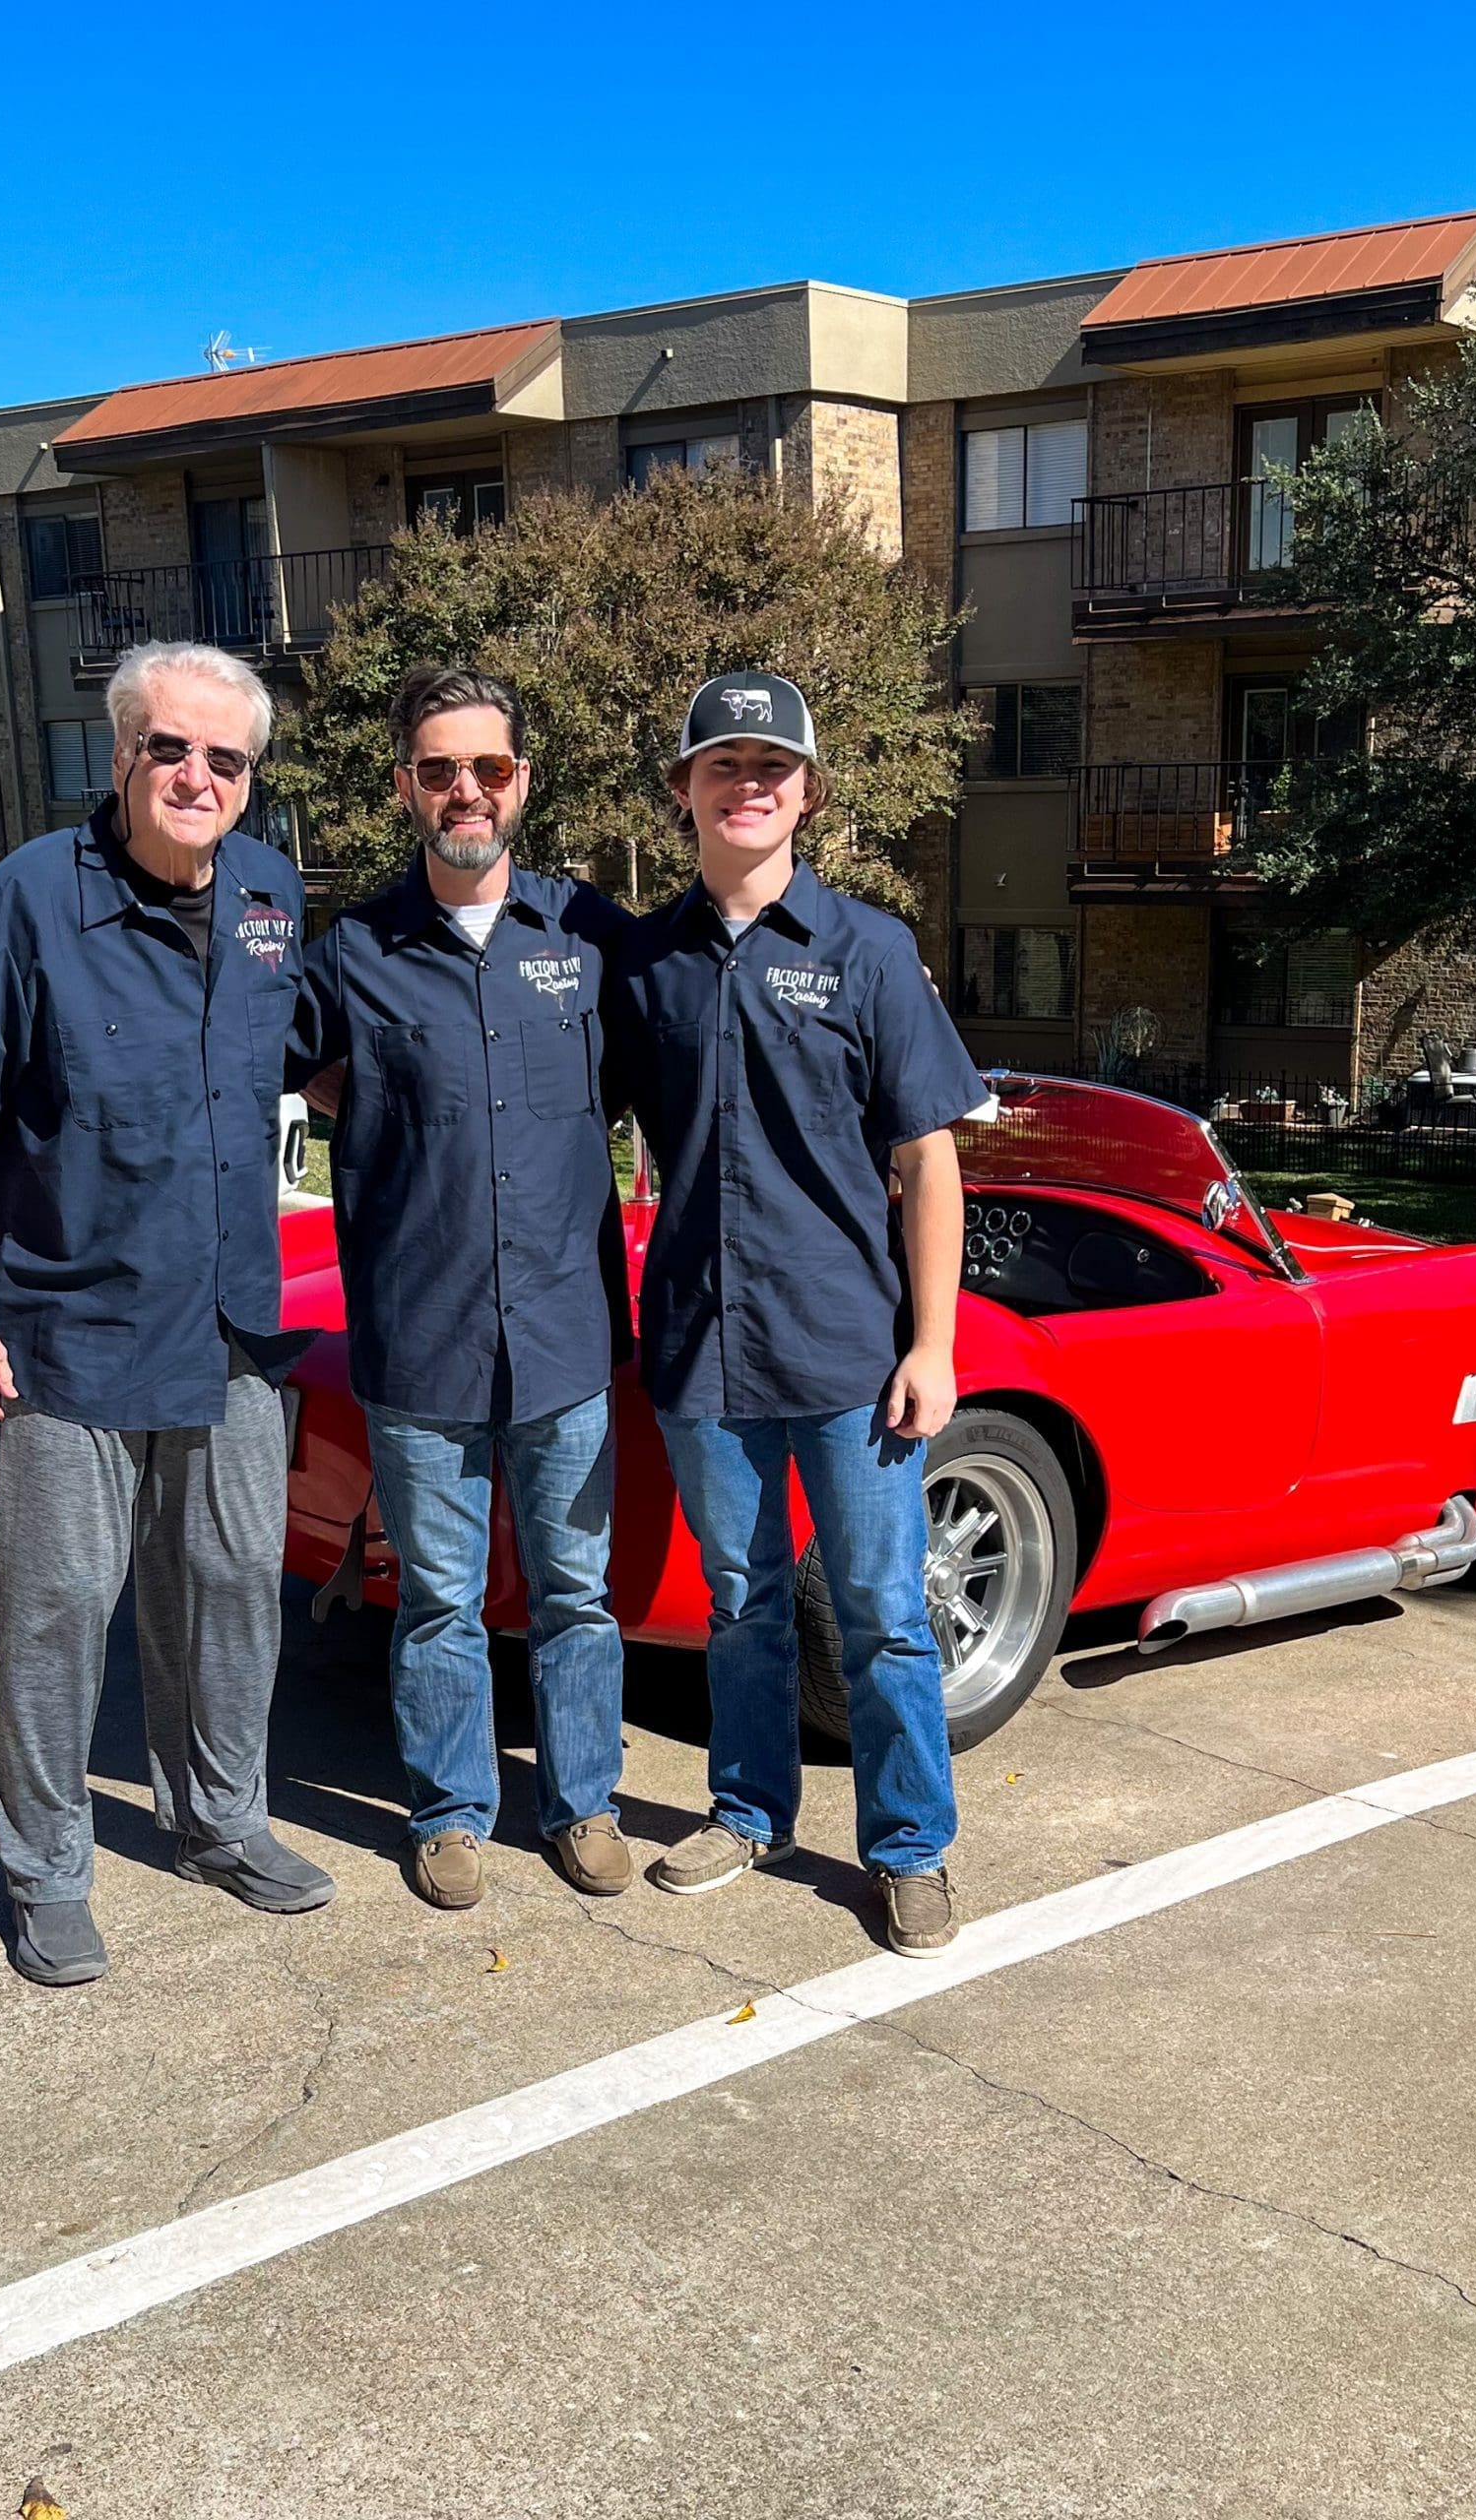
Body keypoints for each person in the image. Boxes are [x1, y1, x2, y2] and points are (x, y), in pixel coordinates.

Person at [0, 641, 334, 1988]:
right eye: (169, 748)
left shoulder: (269, 895)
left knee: (232, 1585)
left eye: (224, 759)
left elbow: (311, 1064)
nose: (196, 776)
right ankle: (46, 1871)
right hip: (69, 1327)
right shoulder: (29, 898)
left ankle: (218, 1820)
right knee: (63, 1602)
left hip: (232, 1323)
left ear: (249, 778)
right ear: (123, 754)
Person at [613, 672, 986, 1957]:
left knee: (880, 1613)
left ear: (807, 793)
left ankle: (909, 1848)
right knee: (741, 1600)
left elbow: (928, 1158)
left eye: (771, 766)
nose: (747, 785)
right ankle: (748, 1810)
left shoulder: (868, 951)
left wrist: (932, 1344)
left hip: (849, 1353)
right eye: (721, 764)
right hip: (702, 1346)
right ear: (683, 791)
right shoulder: (642, 964)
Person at [288, 665, 635, 1911]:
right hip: (420, 1339)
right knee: (436, 1598)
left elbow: (679, 1059)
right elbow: (259, 1058)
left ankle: (584, 1803)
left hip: (562, 1336)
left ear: (520, 781)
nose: (465, 791)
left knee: (574, 1595)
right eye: (439, 770)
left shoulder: (588, 936)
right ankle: (448, 1813)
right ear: (405, 789)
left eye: (487, 767)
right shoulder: (351, 953)